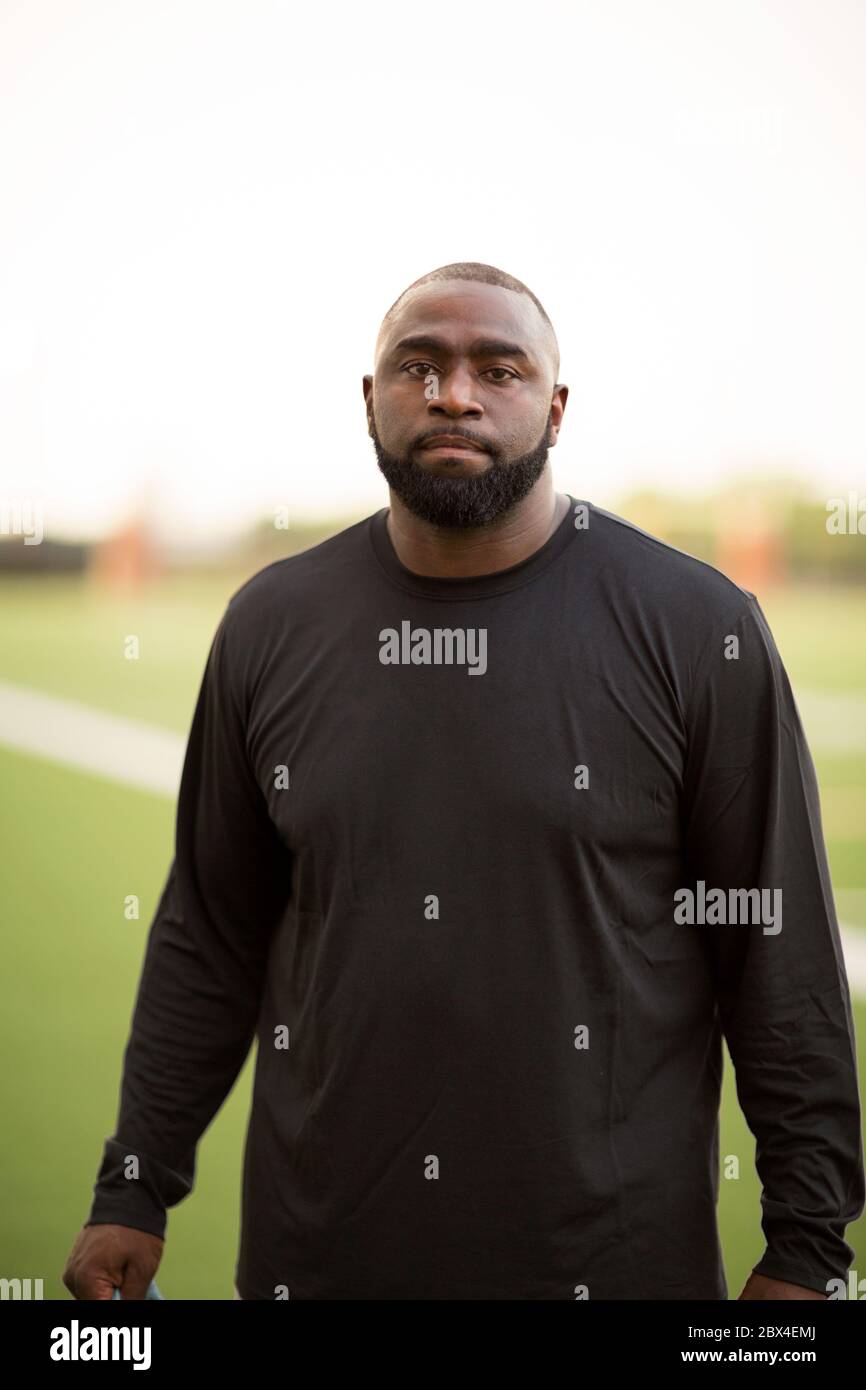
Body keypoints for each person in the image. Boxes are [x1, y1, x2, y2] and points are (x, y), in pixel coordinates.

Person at [63, 262, 864, 1301]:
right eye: (418, 366)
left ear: (555, 406)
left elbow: (777, 951)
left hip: (612, 1269)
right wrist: (134, 1185)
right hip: (319, 1259)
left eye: (498, 368)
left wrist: (806, 1251)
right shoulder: (270, 624)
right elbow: (208, 933)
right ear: (369, 399)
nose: (454, 393)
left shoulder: (695, 627)